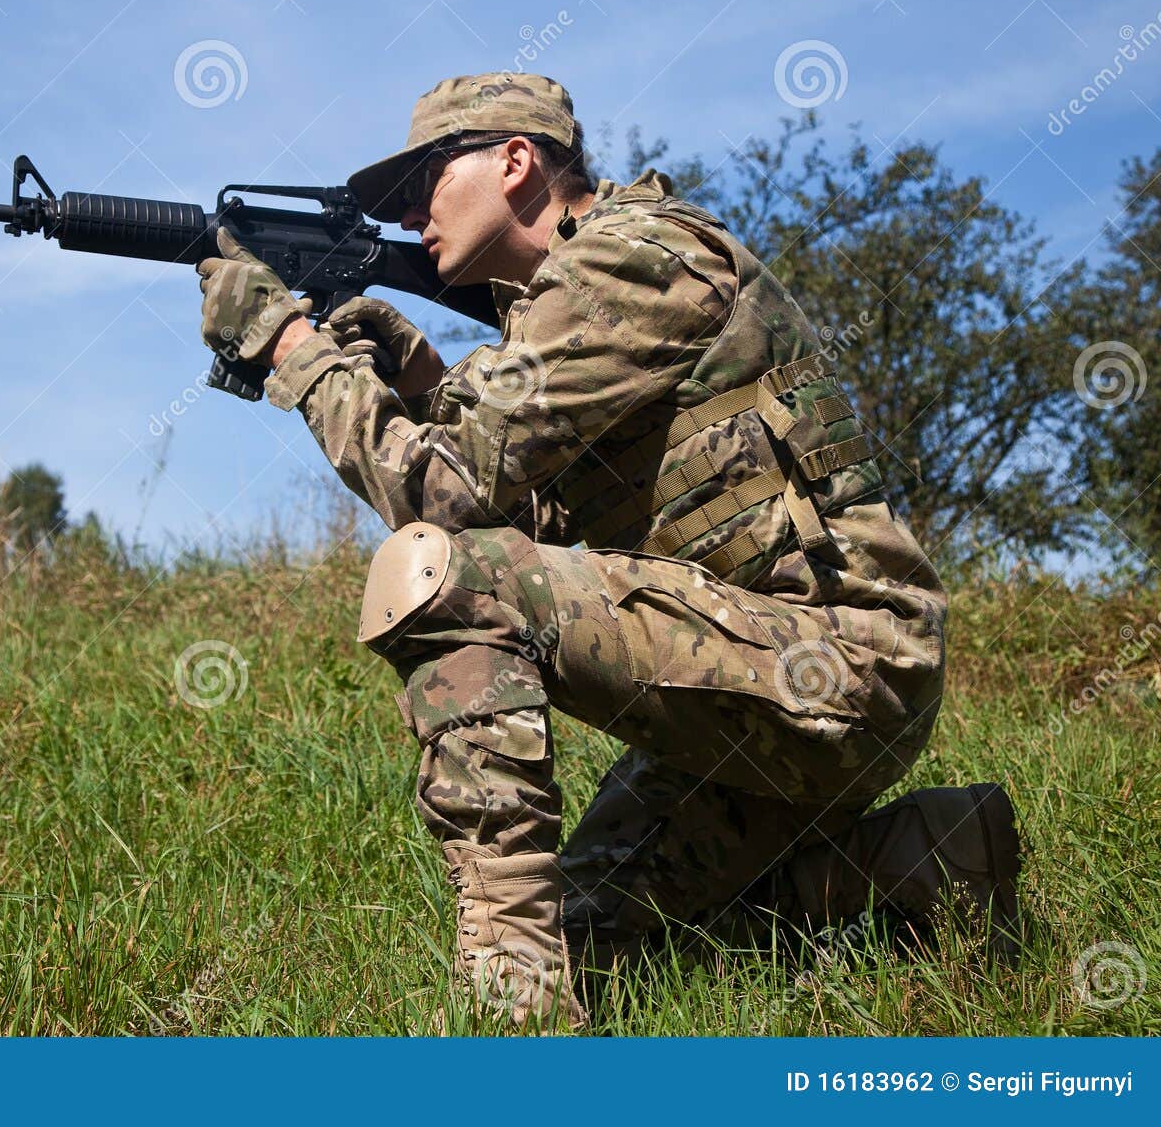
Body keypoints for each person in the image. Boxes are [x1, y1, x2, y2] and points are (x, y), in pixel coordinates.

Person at [194, 72, 1022, 1031]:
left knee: (444, 577)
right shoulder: (570, 301)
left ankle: (519, 1017)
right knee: (611, 948)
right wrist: (420, 377)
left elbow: (451, 505)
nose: (412, 211)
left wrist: (289, 342)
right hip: (757, 678)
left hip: (840, 664)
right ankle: (933, 859)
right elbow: (537, 518)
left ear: (516, 163)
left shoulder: (632, 262)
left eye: (425, 176)